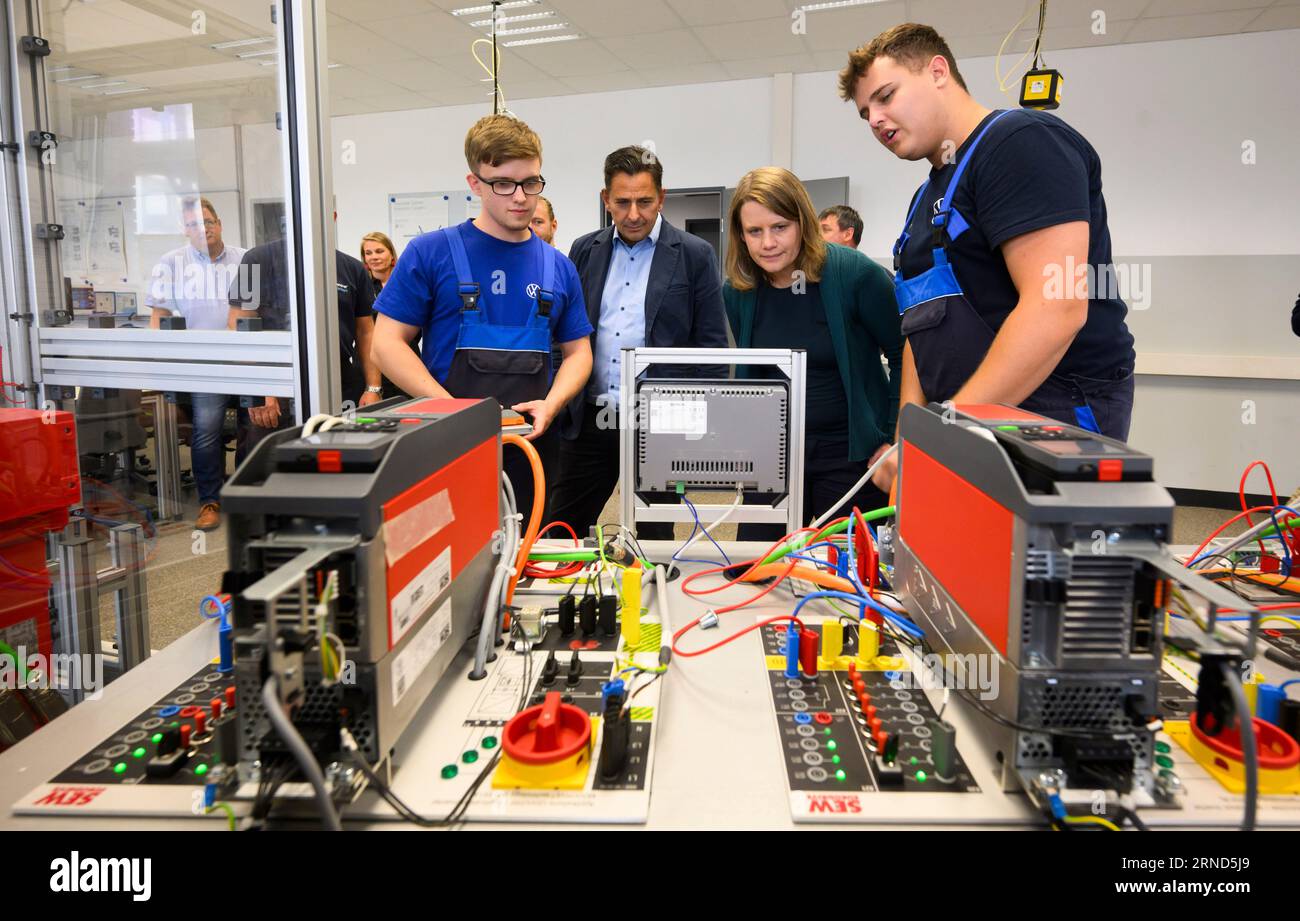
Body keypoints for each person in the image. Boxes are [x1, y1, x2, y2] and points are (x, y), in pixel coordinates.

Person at [839, 23, 1137, 493]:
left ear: (938, 71)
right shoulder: (925, 198)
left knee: (1036, 565)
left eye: (886, 95)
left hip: (1049, 414)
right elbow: (920, 329)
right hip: (964, 417)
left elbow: (1056, 308)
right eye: (864, 113)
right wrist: (909, 434)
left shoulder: (1019, 142)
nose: (875, 119)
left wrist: (944, 434)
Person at [371, 114, 593, 520]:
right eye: (504, 184)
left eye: (531, 182)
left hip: (531, 450)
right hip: (447, 446)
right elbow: (385, 344)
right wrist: (452, 412)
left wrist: (552, 403)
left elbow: (579, 352)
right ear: (475, 183)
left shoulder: (558, 267)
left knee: (526, 563)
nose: (521, 197)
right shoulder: (430, 252)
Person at [548, 146, 729, 542]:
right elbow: (564, 334)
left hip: (659, 423)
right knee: (558, 529)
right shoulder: (584, 249)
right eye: (623, 202)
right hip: (590, 418)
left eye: (645, 202)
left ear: (662, 198)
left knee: (654, 538)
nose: (634, 214)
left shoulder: (694, 255)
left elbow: (713, 349)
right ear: (606, 200)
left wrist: (698, 424)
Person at [723, 167, 902, 542]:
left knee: (851, 574)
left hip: (851, 455)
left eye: (780, 227)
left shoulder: (856, 275)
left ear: (803, 223)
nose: (767, 243)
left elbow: (903, 353)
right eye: (754, 231)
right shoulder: (739, 290)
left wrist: (891, 438)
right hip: (774, 455)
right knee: (755, 571)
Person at [143, 195, 245, 531]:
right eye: (193, 224)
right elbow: (158, 317)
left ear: (219, 224)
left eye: (208, 221)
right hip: (204, 366)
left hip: (247, 362)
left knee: (256, 428)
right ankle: (210, 502)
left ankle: (248, 494)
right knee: (207, 432)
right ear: (185, 230)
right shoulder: (170, 263)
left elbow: (257, 312)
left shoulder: (246, 259)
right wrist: (161, 364)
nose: (203, 229)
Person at [361, 231, 417, 399]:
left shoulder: (407, 283)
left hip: (405, 357)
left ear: (391, 254)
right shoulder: (363, 287)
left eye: (379, 251)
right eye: (368, 253)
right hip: (371, 363)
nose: (374, 257)